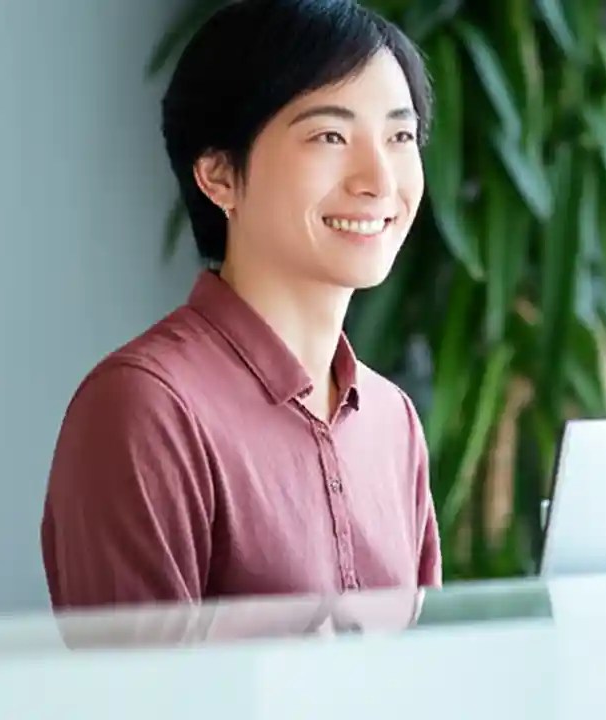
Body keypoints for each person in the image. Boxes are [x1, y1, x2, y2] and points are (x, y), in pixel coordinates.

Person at [41, 0, 441, 609]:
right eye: (330, 135)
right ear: (219, 175)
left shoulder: (393, 421)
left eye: (400, 135)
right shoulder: (147, 409)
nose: (379, 180)